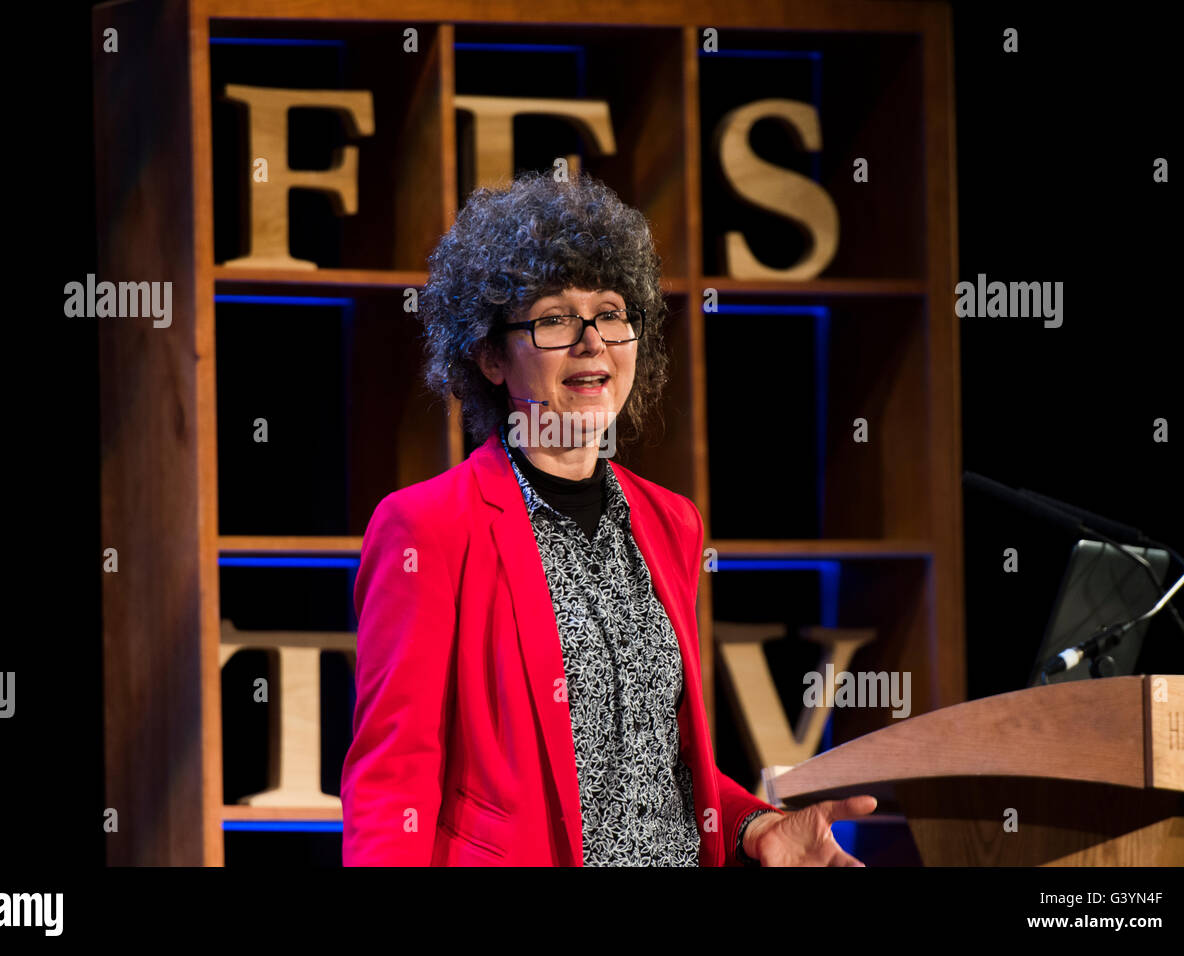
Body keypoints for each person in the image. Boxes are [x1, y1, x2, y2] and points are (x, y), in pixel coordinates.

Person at [340, 169, 876, 865]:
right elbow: (393, 779)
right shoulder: (427, 528)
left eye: (611, 312)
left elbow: (652, 759)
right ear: (492, 356)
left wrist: (753, 825)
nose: (592, 341)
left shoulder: (672, 522)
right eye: (556, 317)